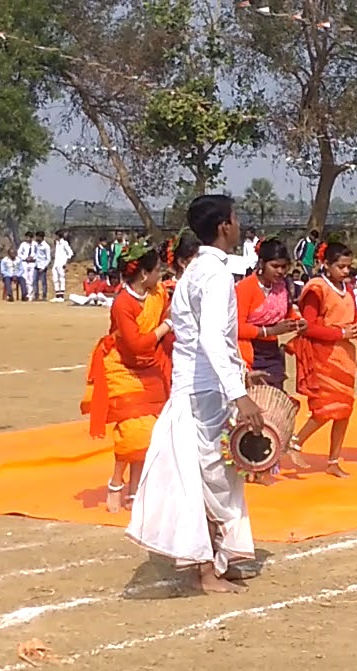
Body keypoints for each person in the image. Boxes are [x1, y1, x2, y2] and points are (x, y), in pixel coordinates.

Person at [126, 194, 265, 595]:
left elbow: (214, 338)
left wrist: (239, 374)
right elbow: (209, 338)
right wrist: (238, 394)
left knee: (218, 473)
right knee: (204, 476)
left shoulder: (200, 270)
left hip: (204, 384)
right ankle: (204, 568)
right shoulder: (215, 274)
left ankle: (220, 559)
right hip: (202, 390)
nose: (239, 225)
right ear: (225, 226)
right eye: (236, 219)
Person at [80, 241, 172, 514]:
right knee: (132, 431)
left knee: (151, 432)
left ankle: (135, 490)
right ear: (144, 274)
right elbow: (136, 344)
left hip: (150, 368)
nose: (161, 275)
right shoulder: (123, 304)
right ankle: (116, 484)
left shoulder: (158, 294)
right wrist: (168, 325)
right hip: (122, 367)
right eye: (157, 270)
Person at [287, 242, 357, 477]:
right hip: (323, 355)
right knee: (325, 408)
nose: (346, 271)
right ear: (326, 264)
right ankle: (296, 441)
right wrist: (341, 333)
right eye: (341, 266)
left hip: (344, 355)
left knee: (345, 408)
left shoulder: (346, 288)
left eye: (348, 267)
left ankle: (333, 460)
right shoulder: (317, 289)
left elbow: (353, 317)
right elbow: (308, 327)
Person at [235, 239, 305, 390]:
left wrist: (297, 322)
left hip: (272, 352)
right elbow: (237, 328)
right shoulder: (246, 287)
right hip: (249, 351)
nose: (280, 271)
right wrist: (270, 331)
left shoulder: (282, 287)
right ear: (261, 264)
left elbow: (288, 313)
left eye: (284, 266)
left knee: (275, 400)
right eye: (275, 266)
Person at [51, 230, 74, 302]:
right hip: (56, 263)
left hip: (61, 263)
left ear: (58, 236)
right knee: (55, 278)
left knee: (61, 278)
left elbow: (70, 253)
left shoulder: (64, 243)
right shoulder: (57, 243)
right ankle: (57, 295)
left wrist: (66, 262)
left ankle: (61, 295)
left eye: (56, 236)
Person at [32, 230, 52, 301]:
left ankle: (44, 296)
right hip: (36, 265)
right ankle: (36, 295)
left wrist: (43, 267)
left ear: (41, 237)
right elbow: (35, 254)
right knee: (34, 281)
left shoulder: (46, 246)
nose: (36, 238)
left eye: (38, 237)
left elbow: (48, 258)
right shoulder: (36, 245)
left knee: (43, 282)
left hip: (42, 266)